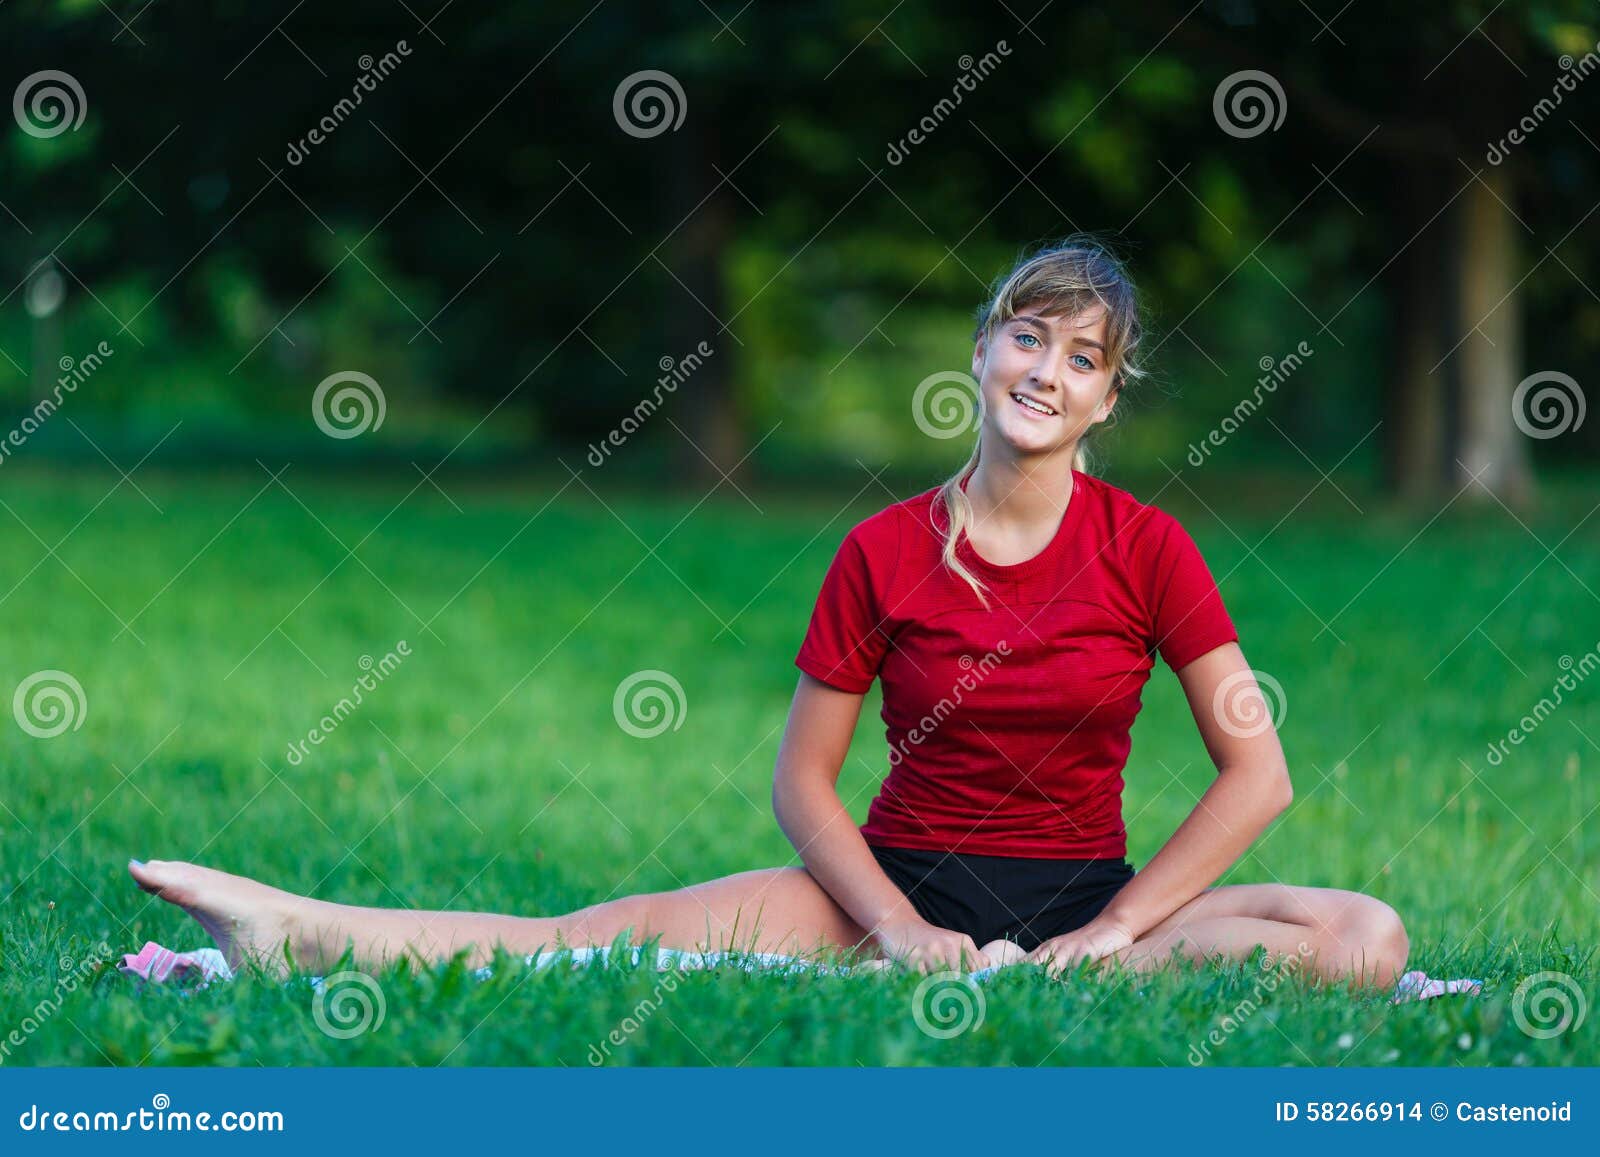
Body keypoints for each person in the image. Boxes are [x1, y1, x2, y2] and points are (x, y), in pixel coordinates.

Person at [129, 237, 1409, 990]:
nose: (1046, 372)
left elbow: (1260, 772)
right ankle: (283, 924)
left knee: (1363, 936)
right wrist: (899, 927)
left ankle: (1078, 975)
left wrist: (1115, 928)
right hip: (885, 891)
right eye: (1029, 338)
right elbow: (805, 781)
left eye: (1083, 359)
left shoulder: (1150, 548)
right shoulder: (878, 550)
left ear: (1105, 401)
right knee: (578, 945)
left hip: (1088, 900)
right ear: (980, 352)